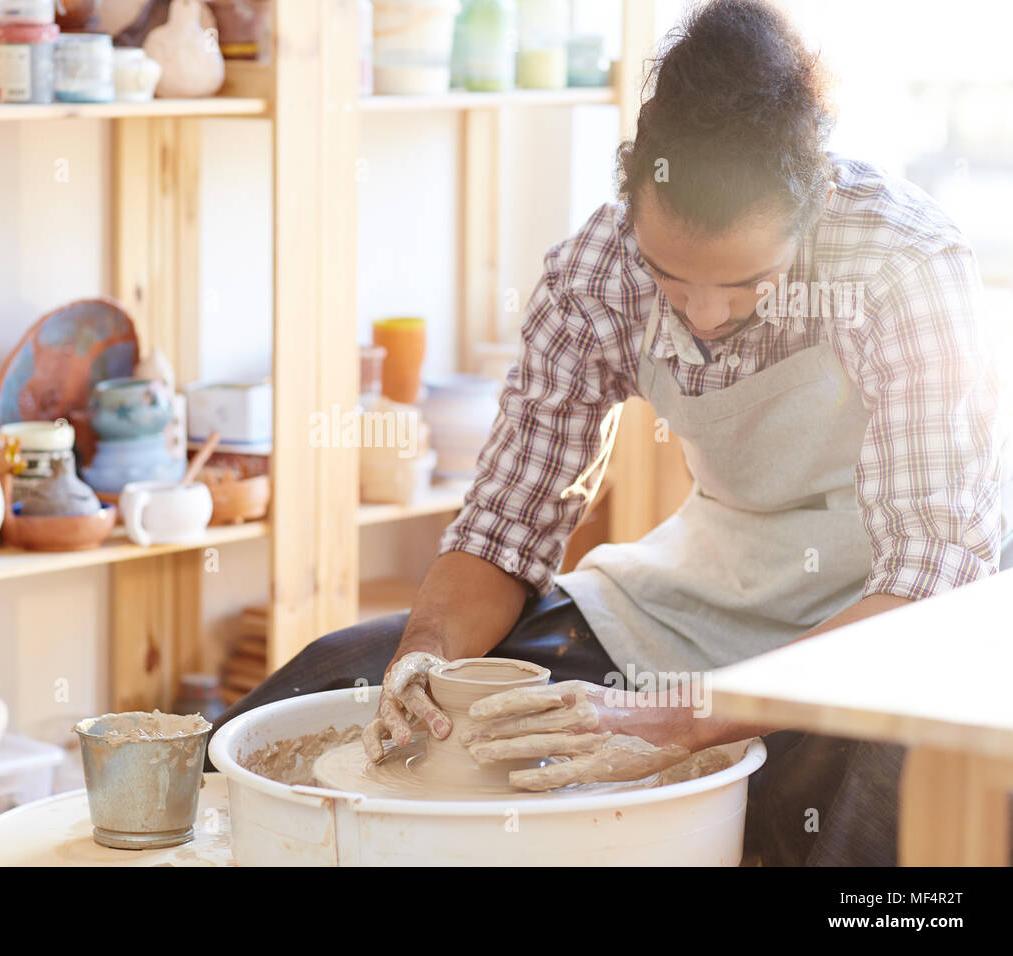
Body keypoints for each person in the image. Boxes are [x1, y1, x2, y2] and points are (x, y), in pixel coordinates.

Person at [210, 0, 1013, 865]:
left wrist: (673, 720)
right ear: (635, 195)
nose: (705, 314)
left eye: (745, 284)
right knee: (345, 669)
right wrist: (425, 658)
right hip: (708, 590)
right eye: (673, 278)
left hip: (893, 624)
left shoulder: (903, 269)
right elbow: (505, 532)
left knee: (877, 801)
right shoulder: (597, 272)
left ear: (810, 206)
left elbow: (929, 590)